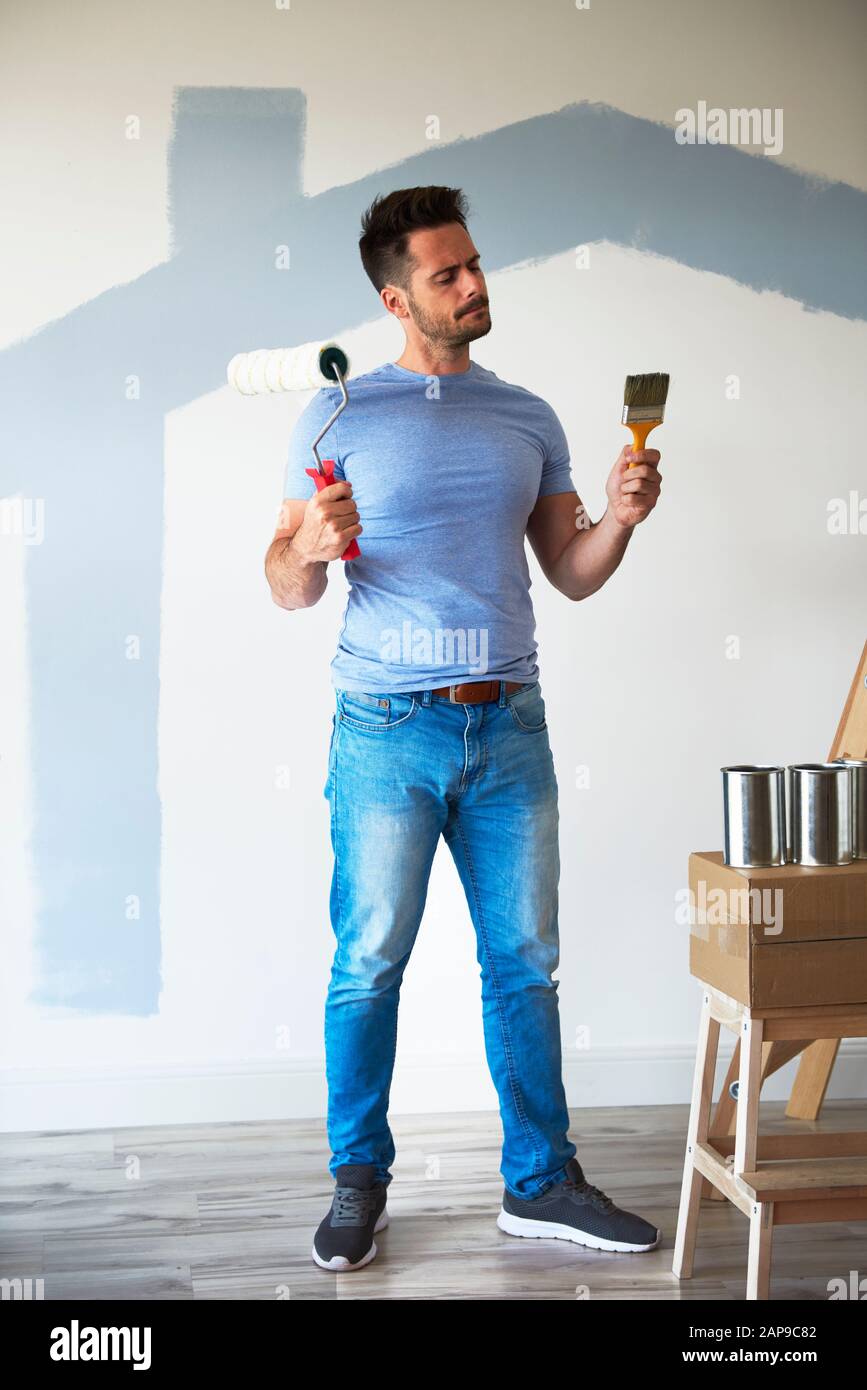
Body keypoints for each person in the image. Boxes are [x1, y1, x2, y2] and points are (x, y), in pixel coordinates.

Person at [264, 186, 664, 1273]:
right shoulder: (340, 418)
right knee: (369, 960)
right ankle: (359, 1179)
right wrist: (307, 539)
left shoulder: (528, 416)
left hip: (511, 726)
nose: (475, 284)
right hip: (386, 731)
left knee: (525, 962)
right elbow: (287, 588)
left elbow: (571, 574)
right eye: (448, 274)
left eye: (476, 264)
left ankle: (540, 1182)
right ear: (398, 298)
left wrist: (618, 520)